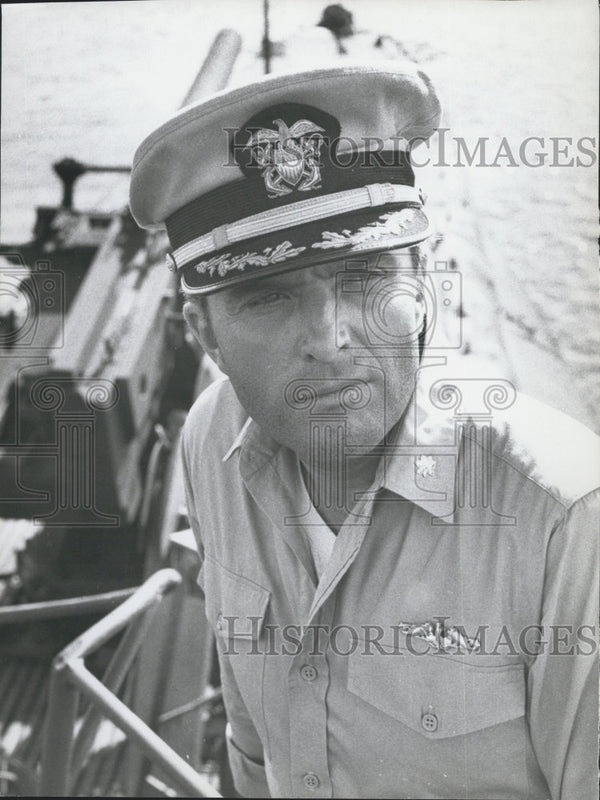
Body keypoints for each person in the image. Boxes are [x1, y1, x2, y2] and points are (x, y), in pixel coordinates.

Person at [130, 65, 599, 799]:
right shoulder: (208, 446)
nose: (328, 337)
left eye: (365, 277)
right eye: (268, 296)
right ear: (203, 336)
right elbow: (251, 745)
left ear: (422, 281)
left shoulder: (563, 520)